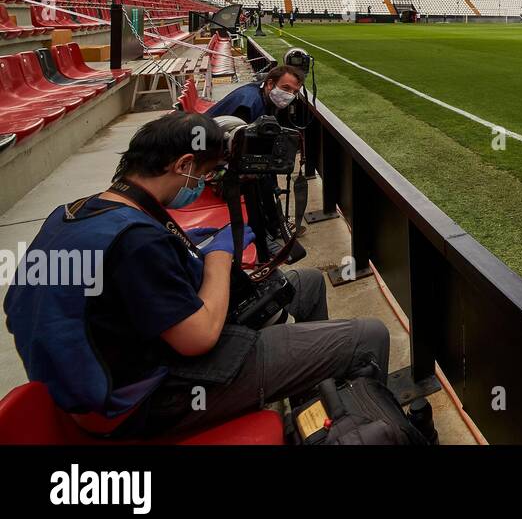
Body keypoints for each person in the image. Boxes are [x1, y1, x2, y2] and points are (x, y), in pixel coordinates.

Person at [2, 112, 388, 438]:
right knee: (367, 336)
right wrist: (218, 259)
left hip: (115, 373)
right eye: (204, 175)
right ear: (183, 165)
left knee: (306, 283)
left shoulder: (79, 211)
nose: (204, 186)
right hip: (149, 399)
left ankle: (313, 416)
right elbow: (198, 338)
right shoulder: (135, 242)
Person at [205, 65, 304, 123]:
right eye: (286, 88)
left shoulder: (265, 95)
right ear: (270, 84)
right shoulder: (248, 104)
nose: (290, 95)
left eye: (295, 92)